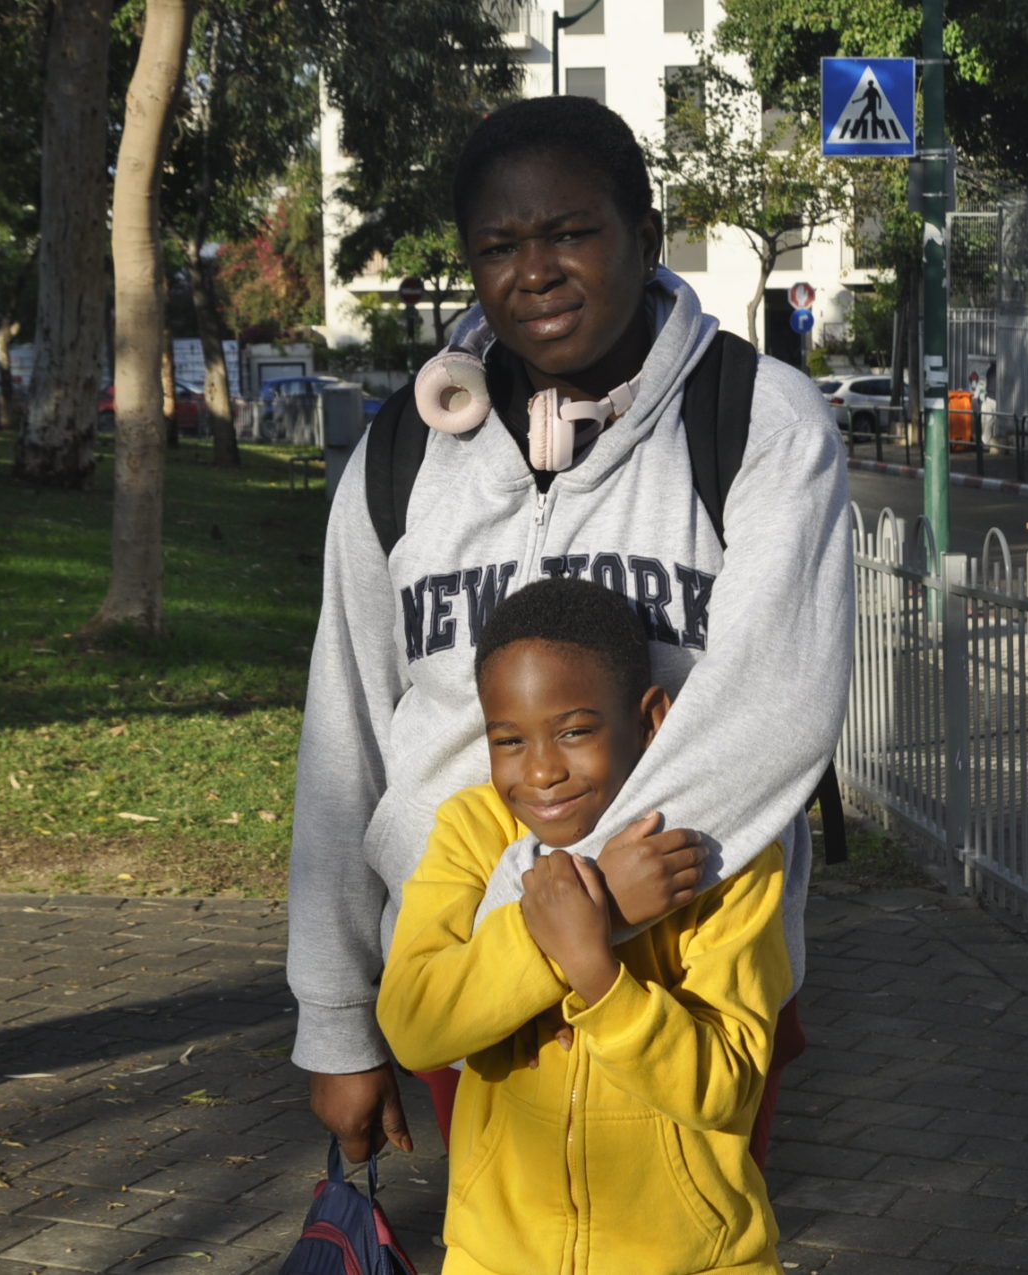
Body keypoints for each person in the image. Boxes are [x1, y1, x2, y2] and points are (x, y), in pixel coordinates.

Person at [288, 93, 852, 1167]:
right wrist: (336, 1018)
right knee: (500, 1239)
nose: (534, 272)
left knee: (687, 1237)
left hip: (683, 973)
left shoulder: (758, 421)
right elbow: (344, 733)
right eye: (499, 246)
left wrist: (576, 901)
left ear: (645, 236)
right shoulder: (405, 451)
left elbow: (771, 716)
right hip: (463, 978)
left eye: (570, 233)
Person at [377, 577, 788, 1275]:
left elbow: (724, 1088)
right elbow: (413, 1024)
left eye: (573, 731)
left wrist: (598, 975)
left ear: (650, 719)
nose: (542, 771)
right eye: (510, 739)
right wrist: (569, 931)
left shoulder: (722, 855)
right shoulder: (472, 831)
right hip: (494, 1259)